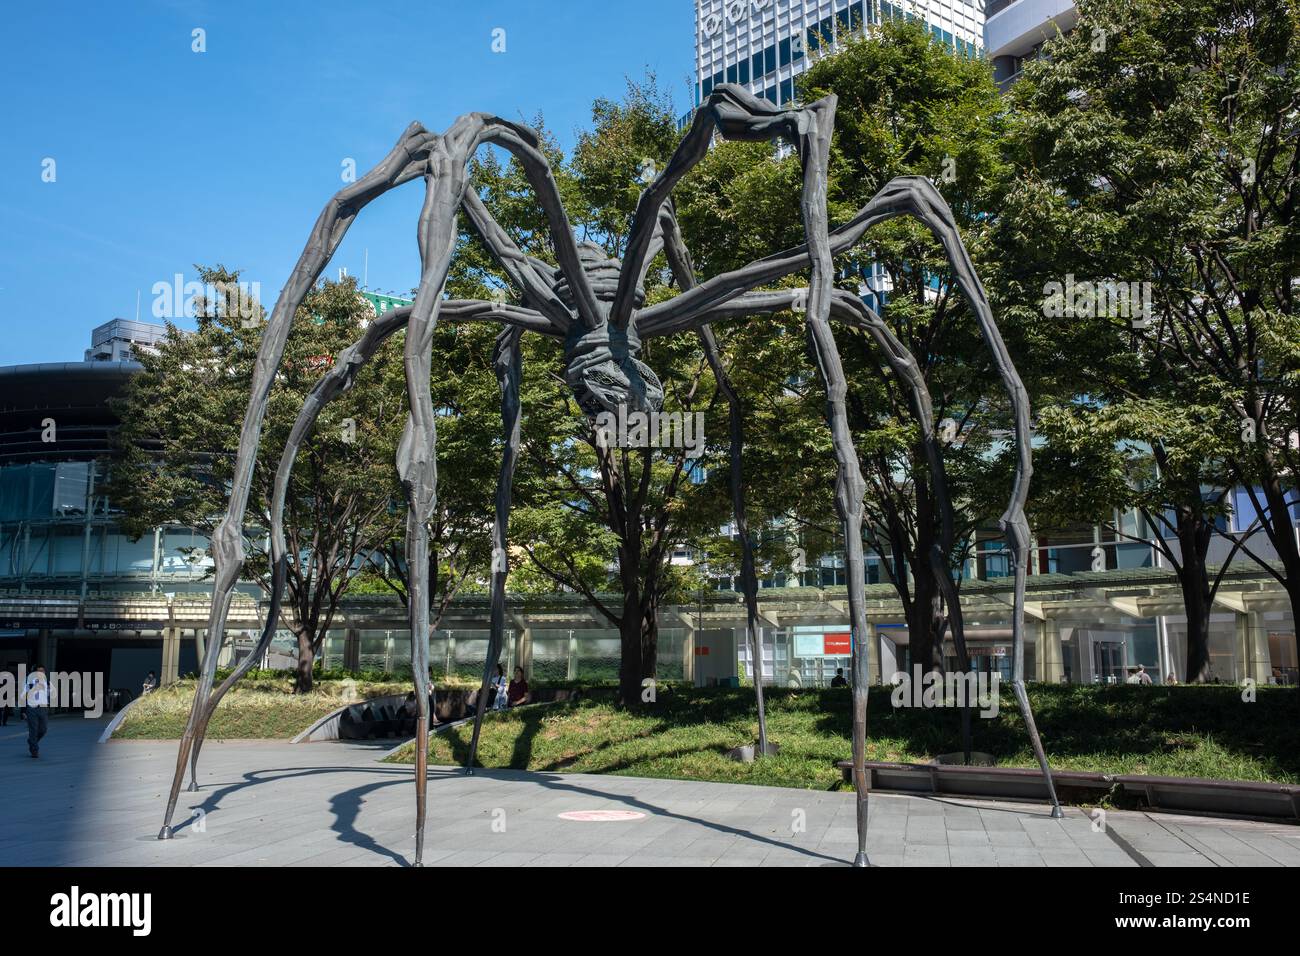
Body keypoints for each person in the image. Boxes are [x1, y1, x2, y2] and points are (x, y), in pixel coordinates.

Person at [23, 666, 49, 758]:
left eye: (42, 671)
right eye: (39, 671)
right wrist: (24, 711)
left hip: (43, 709)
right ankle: (34, 750)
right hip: (32, 709)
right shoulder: (29, 683)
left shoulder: (47, 683)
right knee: (33, 730)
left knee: (43, 729)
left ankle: (32, 741)